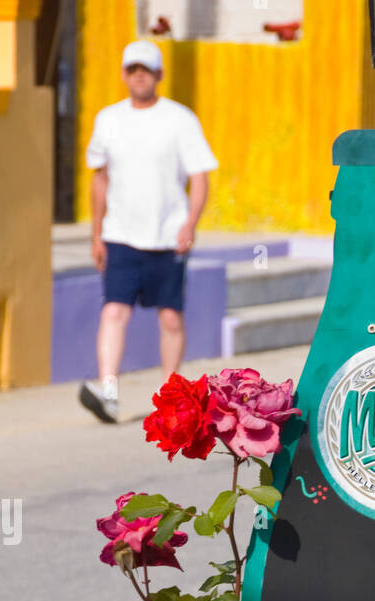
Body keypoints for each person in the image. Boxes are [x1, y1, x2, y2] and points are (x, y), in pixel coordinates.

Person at [79, 40, 218, 424]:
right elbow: (100, 179)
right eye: (132, 68)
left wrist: (190, 222)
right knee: (114, 310)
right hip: (120, 235)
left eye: (146, 68)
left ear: (159, 75)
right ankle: (108, 393)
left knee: (171, 317)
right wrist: (96, 234)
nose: (138, 74)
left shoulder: (180, 119)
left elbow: (199, 176)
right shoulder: (108, 119)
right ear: (124, 74)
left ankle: (172, 397)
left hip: (167, 235)